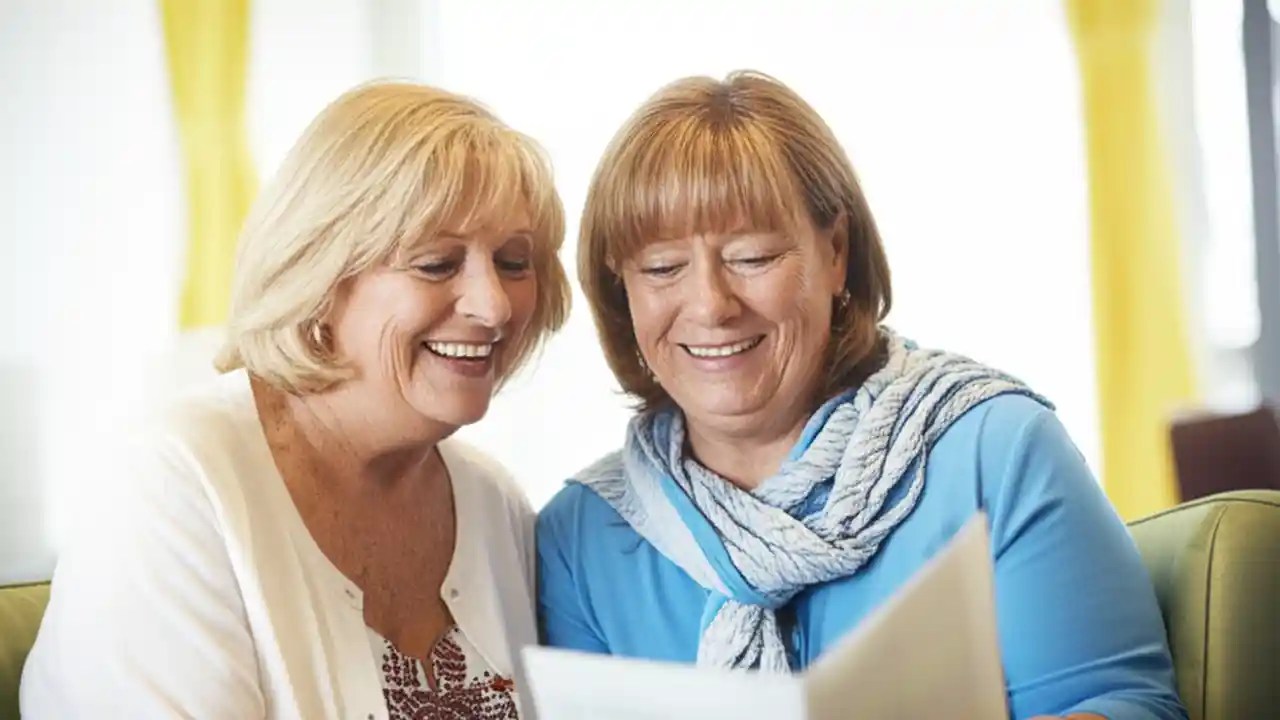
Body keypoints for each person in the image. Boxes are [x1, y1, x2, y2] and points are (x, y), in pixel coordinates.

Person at [536, 71, 1187, 720]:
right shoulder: (579, 537)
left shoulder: (994, 450)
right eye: (662, 269)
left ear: (836, 253)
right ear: (621, 290)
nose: (710, 305)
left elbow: (1125, 705)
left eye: (753, 257)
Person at [22, 80, 569, 719]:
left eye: (512, 262)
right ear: (319, 274)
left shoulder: (491, 498)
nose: (494, 304)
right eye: (437, 264)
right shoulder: (172, 485)